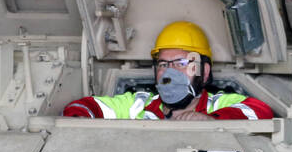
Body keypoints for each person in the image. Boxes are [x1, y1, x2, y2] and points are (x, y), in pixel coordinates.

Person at [62, 21, 275, 121]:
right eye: (163, 64)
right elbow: (86, 105)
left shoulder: (217, 104)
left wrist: (211, 121)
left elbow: (260, 110)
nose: (169, 72)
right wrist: (80, 117)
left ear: (205, 71)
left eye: (181, 63)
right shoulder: (138, 105)